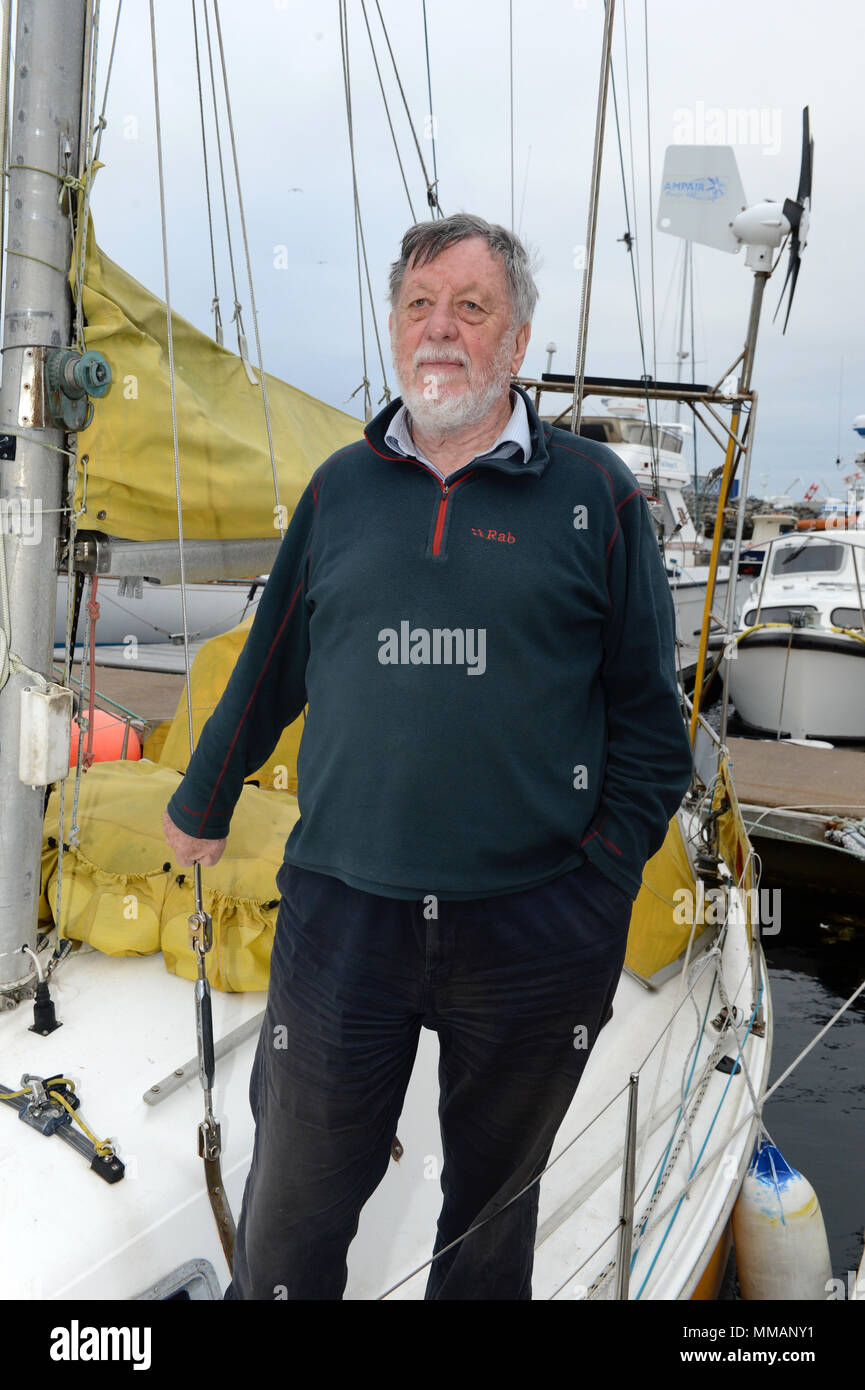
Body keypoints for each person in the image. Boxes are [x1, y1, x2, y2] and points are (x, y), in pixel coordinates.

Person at [162, 212, 693, 1300]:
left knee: (490, 1218)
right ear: (394, 328)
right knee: (296, 1201)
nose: (438, 329)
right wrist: (203, 797)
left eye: (470, 306)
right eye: (417, 305)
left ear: (517, 337)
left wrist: (598, 886)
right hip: (342, 919)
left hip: (536, 924)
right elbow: (273, 666)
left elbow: (649, 726)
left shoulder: (599, 497)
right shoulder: (340, 491)